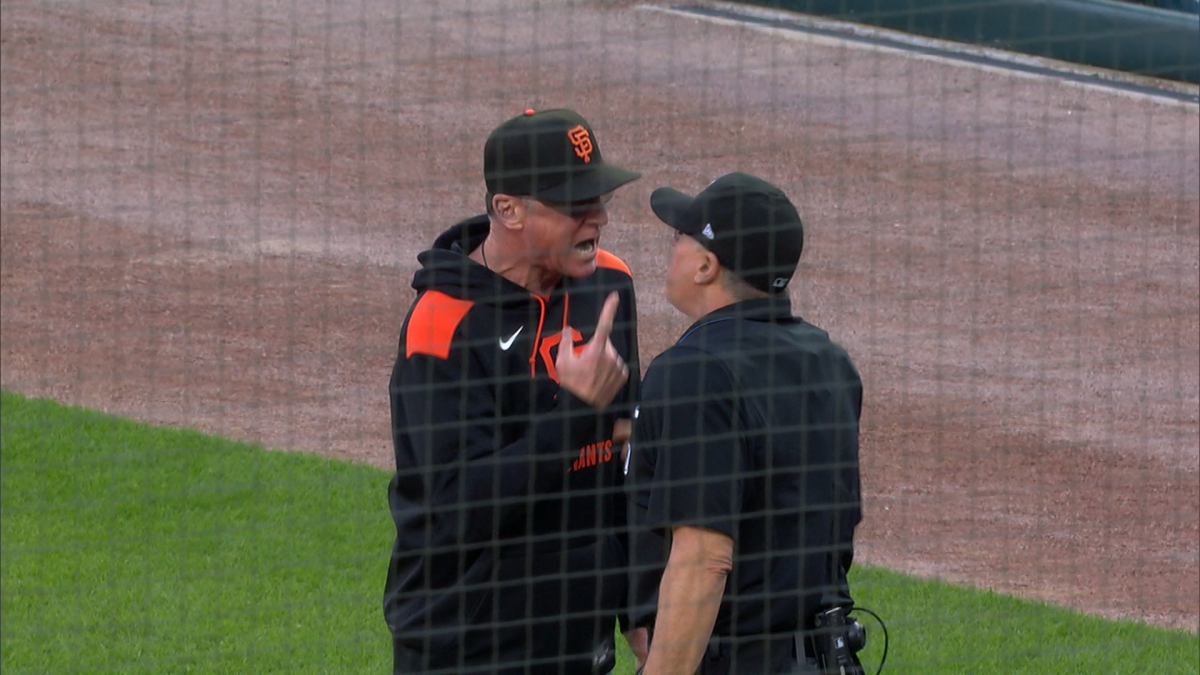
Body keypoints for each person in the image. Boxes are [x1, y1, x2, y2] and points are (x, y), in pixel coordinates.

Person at [384, 108, 647, 674]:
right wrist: (575, 413)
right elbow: (457, 508)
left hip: (580, 634)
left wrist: (638, 601)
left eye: (598, 199)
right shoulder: (443, 325)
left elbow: (627, 457)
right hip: (471, 643)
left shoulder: (609, 283)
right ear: (508, 209)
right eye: (574, 204)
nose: (597, 217)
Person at [627, 173, 865, 675]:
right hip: (824, 657)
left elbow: (705, 560)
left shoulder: (695, 370)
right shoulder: (827, 360)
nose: (671, 249)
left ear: (706, 265)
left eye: (679, 238)